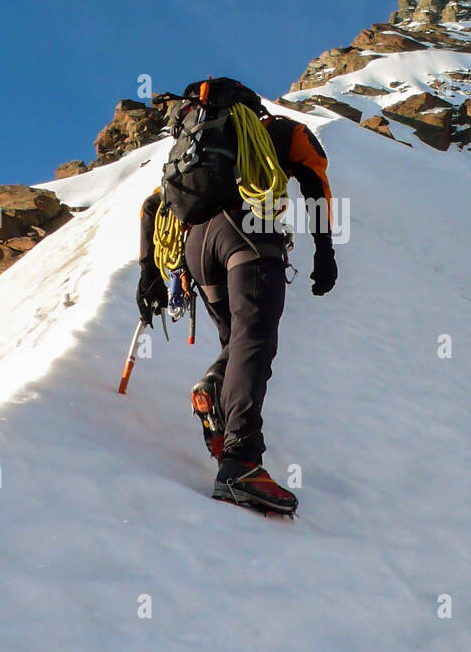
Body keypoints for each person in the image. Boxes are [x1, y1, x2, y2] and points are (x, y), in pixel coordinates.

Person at [136, 79, 337, 514]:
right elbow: (316, 181)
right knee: (254, 340)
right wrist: (325, 250)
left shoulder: (194, 154)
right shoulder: (275, 132)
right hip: (247, 235)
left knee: (237, 345)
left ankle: (214, 387)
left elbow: (153, 207)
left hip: (196, 251)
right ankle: (241, 462)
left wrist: (148, 274)